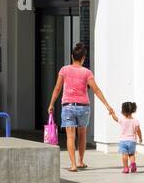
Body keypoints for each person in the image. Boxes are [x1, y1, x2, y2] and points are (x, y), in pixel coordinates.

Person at [48, 42, 117, 173]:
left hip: (68, 106)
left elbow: (57, 89)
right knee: (82, 134)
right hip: (83, 107)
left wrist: (51, 104)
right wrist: (108, 106)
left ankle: (73, 165)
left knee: (70, 136)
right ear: (83, 58)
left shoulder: (64, 70)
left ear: (71, 56)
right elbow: (96, 90)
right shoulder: (87, 72)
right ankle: (80, 161)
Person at [117, 101, 142, 174]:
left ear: (123, 111)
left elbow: (115, 118)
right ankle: (133, 164)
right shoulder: (135, 121)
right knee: (131, 154)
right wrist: (140, 138)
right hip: (132, 141)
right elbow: (138, 131)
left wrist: (112, 114)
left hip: (123, 141)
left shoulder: (122, 120)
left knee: (124, 155)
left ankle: (126, 168)